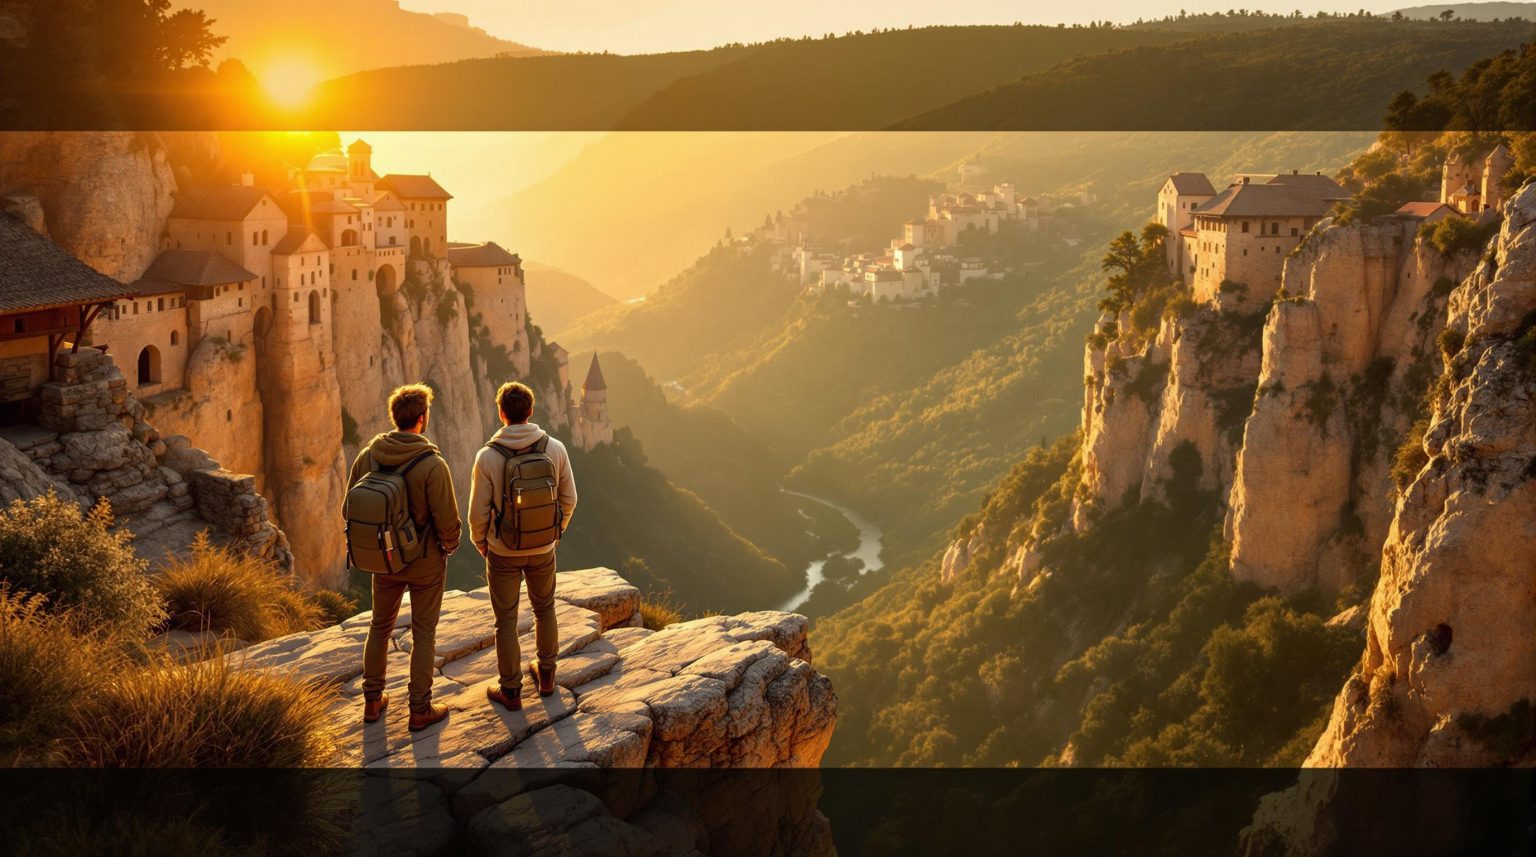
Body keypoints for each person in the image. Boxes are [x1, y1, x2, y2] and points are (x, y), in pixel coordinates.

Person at [352, 383, 460, 731]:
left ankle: (372, 702)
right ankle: (419, 708)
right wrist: (450, 545)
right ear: (422, 418)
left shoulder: (369, 455)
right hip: (426, 561)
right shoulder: (432, 464)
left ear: (394, 417)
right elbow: (447, 520)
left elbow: (351, 504)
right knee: (424, 632)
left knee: (379, 627)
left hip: (383, 558)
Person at [468, 381, 577, 710]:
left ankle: (511, 691)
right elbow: (570, 499)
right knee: (545, 609)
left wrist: (482, 543)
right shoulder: (554, 448)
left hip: (502, 550)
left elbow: (477, 512)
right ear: (531, 411)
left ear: (501, 413)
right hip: (543, 548)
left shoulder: (487, 457)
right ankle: (546, 677)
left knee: (505, 620)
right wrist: (555, 531)